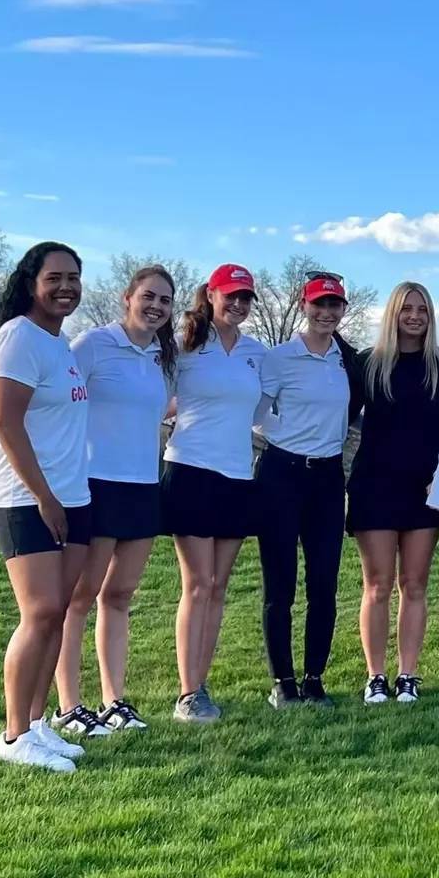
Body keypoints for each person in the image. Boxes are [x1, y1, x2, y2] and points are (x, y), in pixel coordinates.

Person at [50, 265, 178, 737]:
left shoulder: (165, 358)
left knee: (119, 596)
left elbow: (168, 406)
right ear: (128, 297)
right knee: (79, 599)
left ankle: (114, 702)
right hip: (95, 485)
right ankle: (68, 705)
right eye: (148, 296)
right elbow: (52, 389)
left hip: (144, 487)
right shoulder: (93, 344)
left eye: (165, 300)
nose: (156, 306)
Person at [0, 242, 94, 772]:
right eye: (55, 277)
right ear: (32, 282)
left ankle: (35, 725)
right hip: (25, 499)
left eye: (73, 277)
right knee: (41, 613)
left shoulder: (59, 342)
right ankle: (12, 735)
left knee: (57, 617)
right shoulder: (18, 338)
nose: (65, 286)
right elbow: (5, 423)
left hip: (73, 497)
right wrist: (44, 496)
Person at [161, 263, 268, 724]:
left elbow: (267, 411)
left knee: (219, 586)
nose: (239, 305)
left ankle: (201, 685)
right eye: (232, 296)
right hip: (189, 471)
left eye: (246, 298)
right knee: (198, 584)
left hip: (237, 477)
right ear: (211, 295)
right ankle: (188, 693)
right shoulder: (182, 344)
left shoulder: (256, 353)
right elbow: (153, 396)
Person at [349, 282, 439, 705]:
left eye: (422, 310)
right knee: (376, 585)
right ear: (393, 313)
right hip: (374, 484)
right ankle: (376, 676)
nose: (414, 316)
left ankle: (408, 675)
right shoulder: (366, 364)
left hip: (424, 488)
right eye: (406, 309)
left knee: (414, 584)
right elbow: (338, 415)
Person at [256, 274, 356, 709]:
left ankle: (315, 679)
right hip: (281, 474)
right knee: (280, 586)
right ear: (304, 306)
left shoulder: (347, 360)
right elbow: (255, 413)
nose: (326, 312)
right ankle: (283, 680)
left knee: (324, 584)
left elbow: (357, 416)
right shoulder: (279, 358)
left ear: (343, 310)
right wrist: (289, 437)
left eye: (334, 305)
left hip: (328, 479)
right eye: (319, 304)